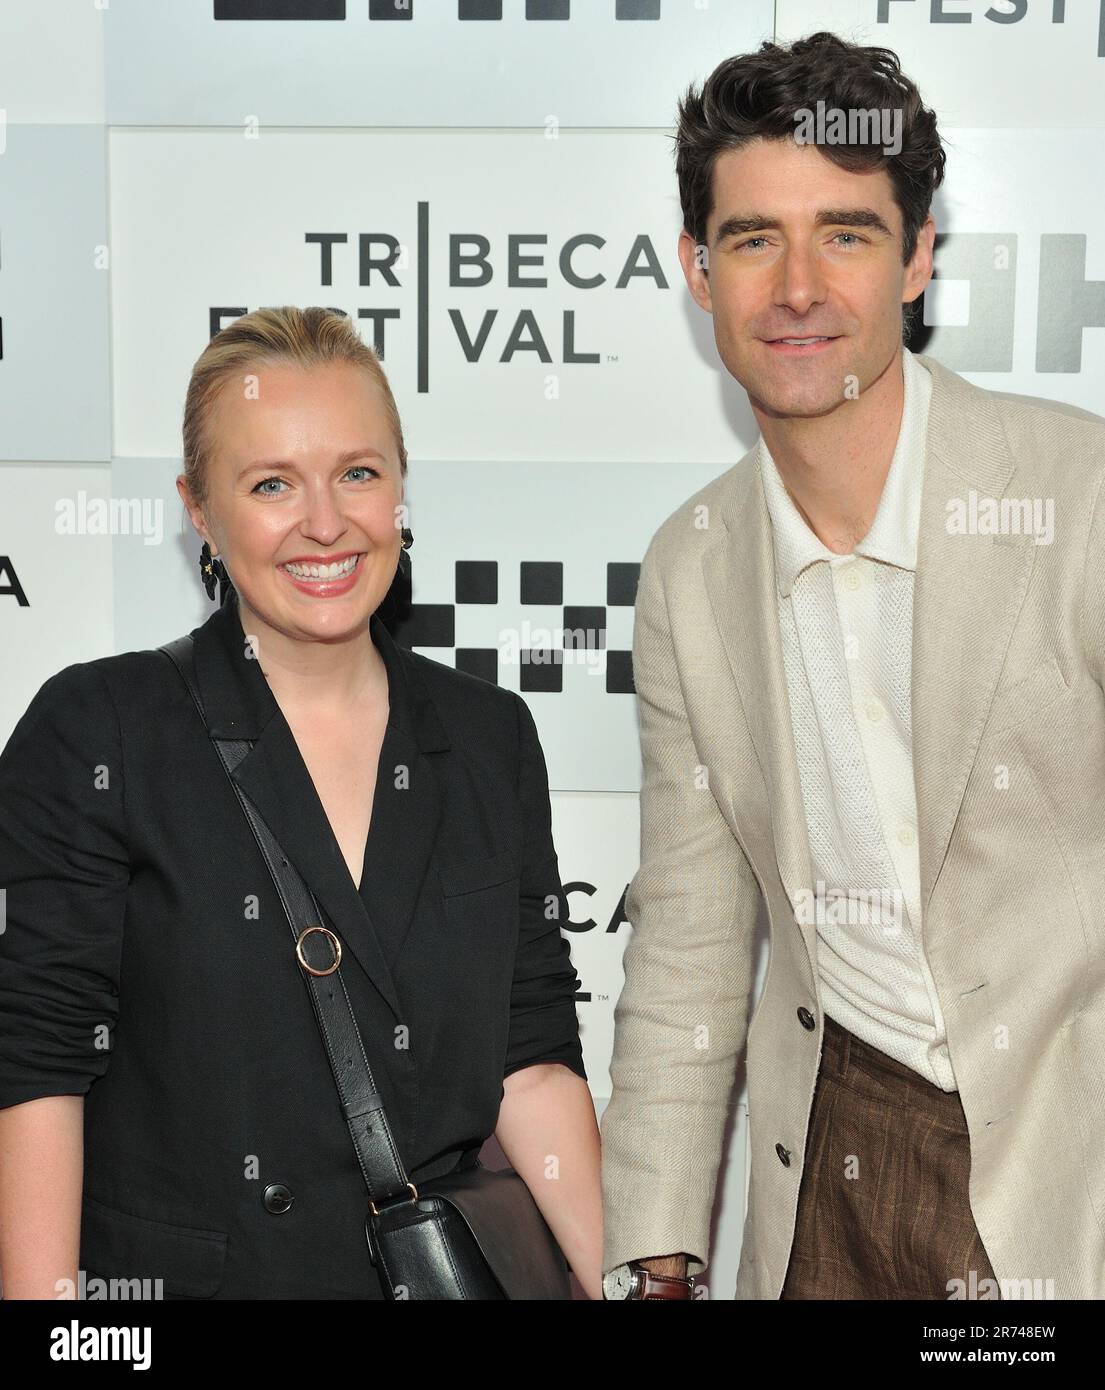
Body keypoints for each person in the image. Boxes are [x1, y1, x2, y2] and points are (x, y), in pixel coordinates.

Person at [600, 31, 1105, 1300]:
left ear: (919, 255)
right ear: (696, 269)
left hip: (1064, 1157)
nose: (799, 287)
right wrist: (656, 1250)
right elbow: (691, 943)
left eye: (848, 233)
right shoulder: (690, 569)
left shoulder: (1076, 496)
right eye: (755, 238)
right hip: (832, 1170)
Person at [0, 305, 602, 1300]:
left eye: (358, 473)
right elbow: (37, 1073)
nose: (325, 523)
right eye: (271, 483)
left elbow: (532, 1065)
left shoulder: (486, 739)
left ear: (401, 486)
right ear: (199, 507)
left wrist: (627, 1286)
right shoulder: (101, 729)